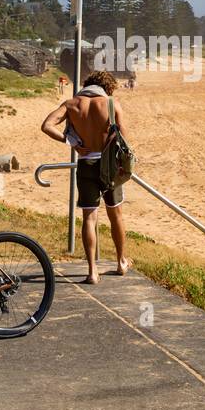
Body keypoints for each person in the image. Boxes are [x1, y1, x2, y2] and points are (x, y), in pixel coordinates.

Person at [40, 70, 129, 284]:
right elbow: (124, 139)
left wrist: (71, 142)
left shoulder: (71, 104)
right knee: (115, 214)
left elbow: (46, 126)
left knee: (89, 216)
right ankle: (121, 261)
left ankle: (92, 271)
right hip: (108, 165)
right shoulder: (111, 104)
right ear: (106, 88)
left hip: (85, 163)